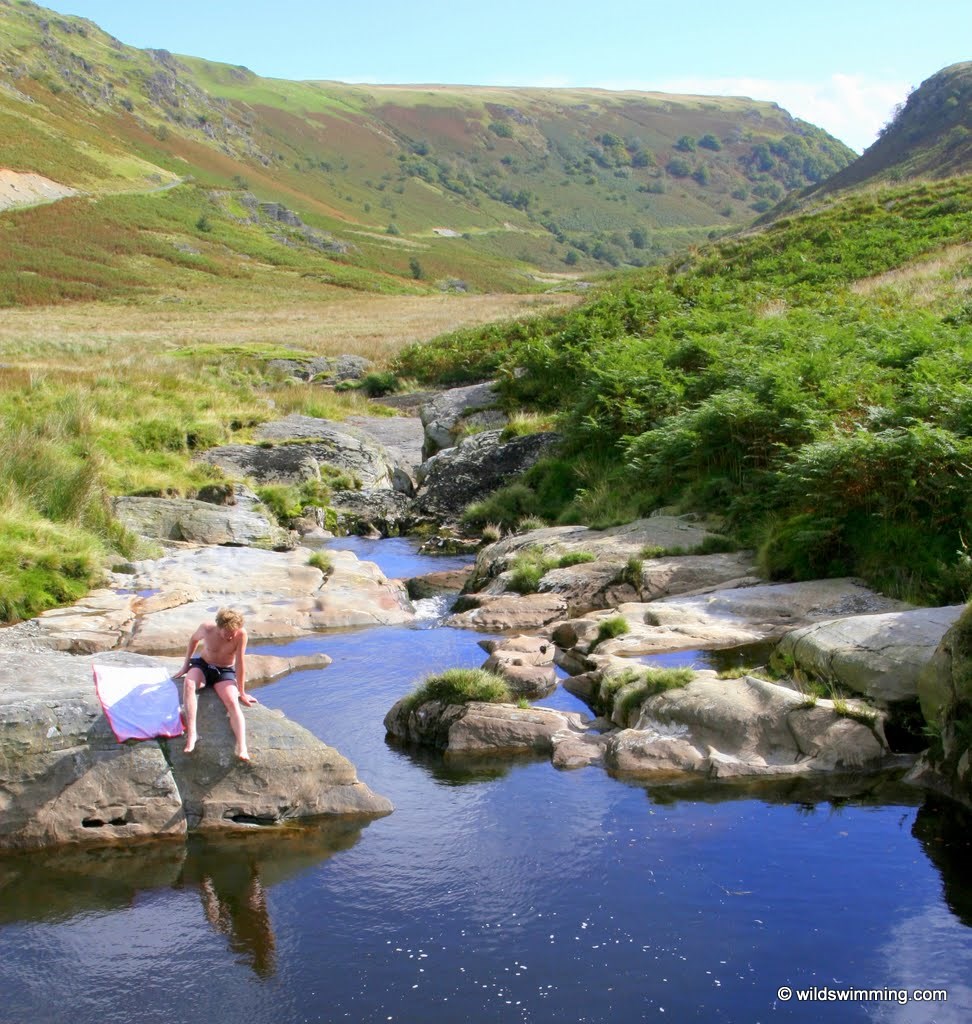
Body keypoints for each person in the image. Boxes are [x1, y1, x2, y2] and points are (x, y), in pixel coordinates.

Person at [174, 607, 255, 760]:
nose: (231, 637)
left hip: (223, 672)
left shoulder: (241, 634)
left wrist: (242, 692)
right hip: (203, 666)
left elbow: (240, 663)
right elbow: (193, 640)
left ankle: (242, 748)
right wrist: (185, 665)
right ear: (219, 627)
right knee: (189, 684)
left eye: (234, 633)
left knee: (232, 701)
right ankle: (192, 735)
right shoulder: (206, 628)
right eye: (227, 634)